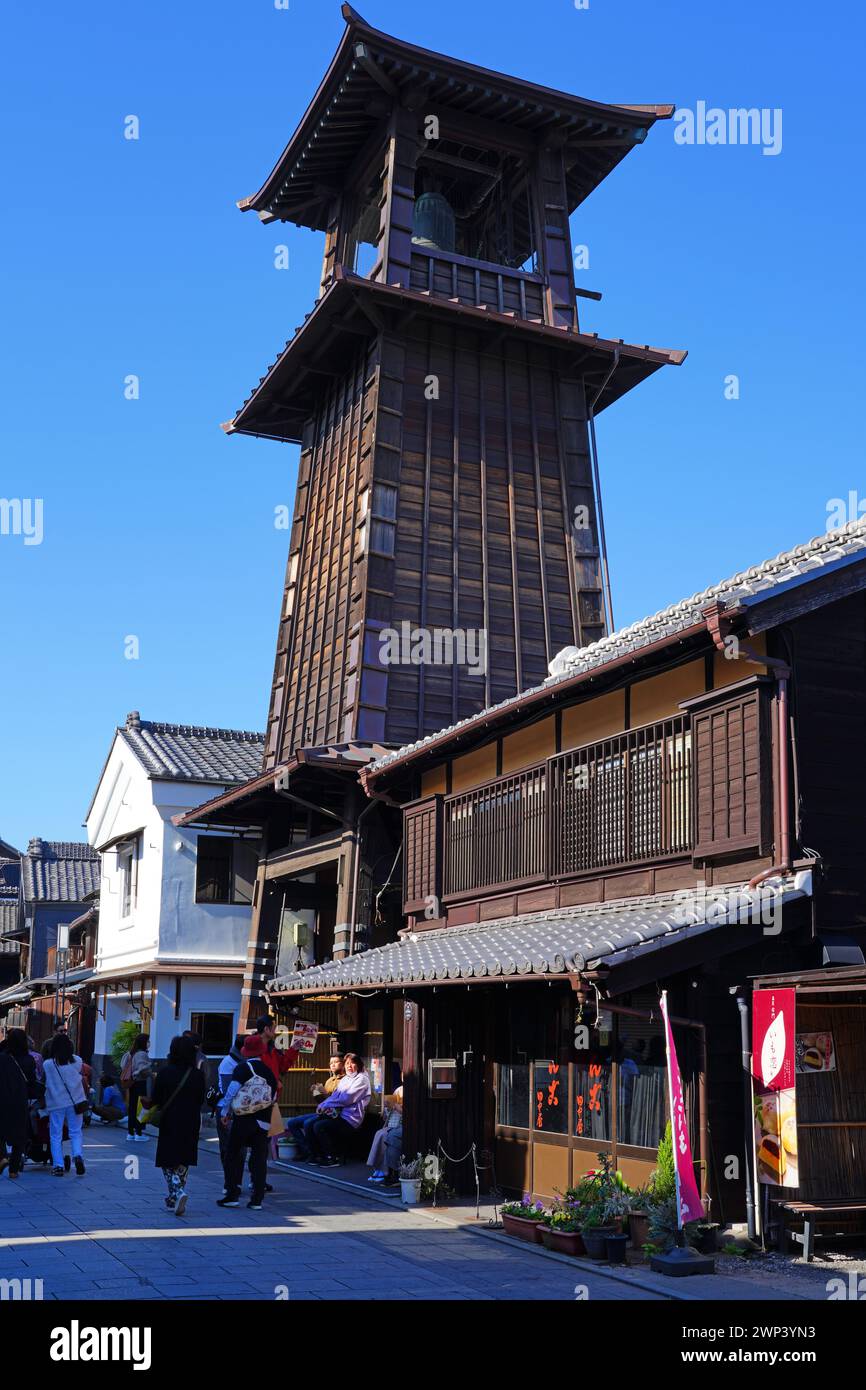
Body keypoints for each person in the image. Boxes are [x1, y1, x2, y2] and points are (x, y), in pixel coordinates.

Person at [218, 1035, 278, 1210]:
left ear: (245, 1051)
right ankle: (257, 1199)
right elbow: (273, 1097)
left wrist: (225, 1111)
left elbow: (232, 1091)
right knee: (259, 1159)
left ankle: (232, 1194)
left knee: (233, 1155)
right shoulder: (269, 1072)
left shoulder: (242, 1068)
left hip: (243, 1119)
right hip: (263, 1121)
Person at [152, 1035, 207, 1217]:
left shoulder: (165, 1073)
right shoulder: (198, 1075)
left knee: (167, 1159)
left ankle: (177, 1190)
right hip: (191, 1120)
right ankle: (173, 1198)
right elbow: (201, 1100)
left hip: (170, 1120)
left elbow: (156, 1098)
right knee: (184, 1157)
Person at [304, 1053, 371, 1167]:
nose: (349, 1066)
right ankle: (317, 1156)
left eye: (352, 1063)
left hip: (351, 1118)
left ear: (359, 1064)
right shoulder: (346, 1078)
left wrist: (325, 1104)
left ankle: (332, 1158)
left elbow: (347, 1098)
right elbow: (335, 1096)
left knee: (319, 1126)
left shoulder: (362, 1079)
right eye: (347, 1063)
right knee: (309, 1124)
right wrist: (323, 1105)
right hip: (339, 1115)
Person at [284, 1053, 345, 1160]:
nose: (333, 1065)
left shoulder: (345, 1081)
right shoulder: (330, 1080)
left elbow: (336, 1103)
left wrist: (324, 1093)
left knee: (308, 1123)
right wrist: (316, 1093)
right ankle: (307, 1151)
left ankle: (315, 1154)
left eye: (336, 1062)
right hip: (323, 1112)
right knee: (292, 1123)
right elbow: (323, 1102)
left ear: (343, 1064)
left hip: (334, 1115)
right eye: (331, 1063)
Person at [43, 1033, 87, 1176]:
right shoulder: (77, 1061)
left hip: (56, 1103)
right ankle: (78, 1155)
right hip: (76, 1102)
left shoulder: (48, 1064)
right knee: (76, 1131)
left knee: (56, 1135)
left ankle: (58, 1165)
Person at [0, 1030, 38, 1179]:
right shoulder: (29, 1060)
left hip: (2, 1099)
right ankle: (14, 1170)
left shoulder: (2, 1058)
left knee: (0, 1131)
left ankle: (2, 1157)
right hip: (20, 1100)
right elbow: (32, 1082)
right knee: (19, 1135)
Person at [367, 1084, 403, 1184]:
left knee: (385, 1135)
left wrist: (397, 1108)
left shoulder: (413, 1090)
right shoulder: (399, 1089)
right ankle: (378, 1168)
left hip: (401, 1124)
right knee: (379, 1133)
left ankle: (384, 1170)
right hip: (394, 1122)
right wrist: (387, 1108)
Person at [120, 1034, 152, 1142]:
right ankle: (139, 1132)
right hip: (140, 1082)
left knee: (133, 1107)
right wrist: (149, 1072)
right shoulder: (142, 1054)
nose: (149, 1043)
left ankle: (130, 1132)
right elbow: (143, 1068)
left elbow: (122, 1065)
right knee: (141, 1107)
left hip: (131, 1084)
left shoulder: (130, 1053)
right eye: (148, 1041)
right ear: (144, 1042)